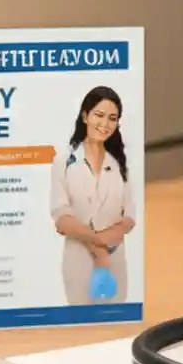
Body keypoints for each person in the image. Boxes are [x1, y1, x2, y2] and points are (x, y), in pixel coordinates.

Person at [49, 85, 136, 305]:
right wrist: (99, 249)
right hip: (79, 258)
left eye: (112, 118)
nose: (105, 124)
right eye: (99, 115)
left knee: (114, 319)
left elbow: (129, 217)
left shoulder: (121, 164)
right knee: (82, 319)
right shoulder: (64, 161)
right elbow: (62, 218)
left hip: (115, 258)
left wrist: (103, 248)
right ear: (85, 116)